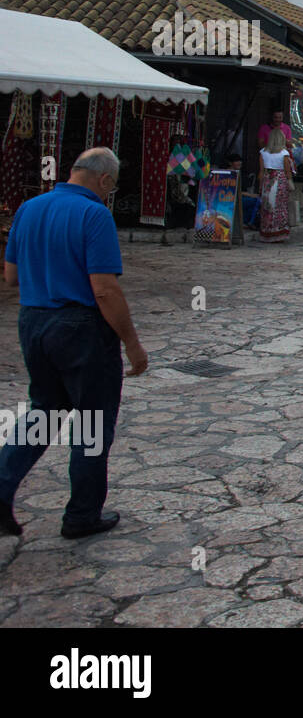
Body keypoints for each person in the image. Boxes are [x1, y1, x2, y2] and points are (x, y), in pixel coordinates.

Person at [1, 147, 147, 539]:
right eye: (111, 187)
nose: (109, 193)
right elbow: (104, 289)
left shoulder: (29, 209)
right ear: (104, 180)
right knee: (92, 424)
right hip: (80, 326)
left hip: (33, 320)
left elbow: (11, 277)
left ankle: (1, 485)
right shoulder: (94, 214)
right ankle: (81, 515)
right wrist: (131, 343)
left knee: (42, 412)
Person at [258, 128, 294, 242]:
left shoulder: (263, 152)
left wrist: (260, 185)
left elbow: (261, 171)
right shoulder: (284, 153)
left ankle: (267, 232)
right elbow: (287, 171)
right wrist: (290, 181)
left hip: (267, 180)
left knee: (267, 207)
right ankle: (279, 232)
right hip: (280, 181)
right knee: (280, 207)